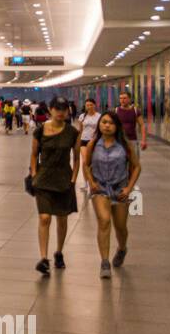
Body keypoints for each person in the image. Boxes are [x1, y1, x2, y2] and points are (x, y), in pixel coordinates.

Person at [82, 111, 141, 279]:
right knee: (104, 221)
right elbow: (86, 165)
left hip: (120, 189)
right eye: (104, 122)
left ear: (117, 126)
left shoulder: (125, 145)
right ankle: (105, 262)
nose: (106, 125)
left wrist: (129, 188)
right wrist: (91, 182)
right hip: (100, 188)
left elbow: (136, 167)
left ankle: (122, 248)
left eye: (110, 123)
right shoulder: (93, 144)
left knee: (120, 226)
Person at [30, 97, 81, 274]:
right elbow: (34, 154)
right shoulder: (40, 130)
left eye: (63, 109)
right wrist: (34, 175)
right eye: (57, 108)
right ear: (50, 110)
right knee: (44, 218)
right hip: (43, 180)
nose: (60, 112)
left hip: (64, 180)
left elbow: (76, 158)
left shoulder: (72, 132)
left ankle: (59, 252)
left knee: (62, 218)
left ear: (68, 111)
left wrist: (74, 180)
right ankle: (44, 258)